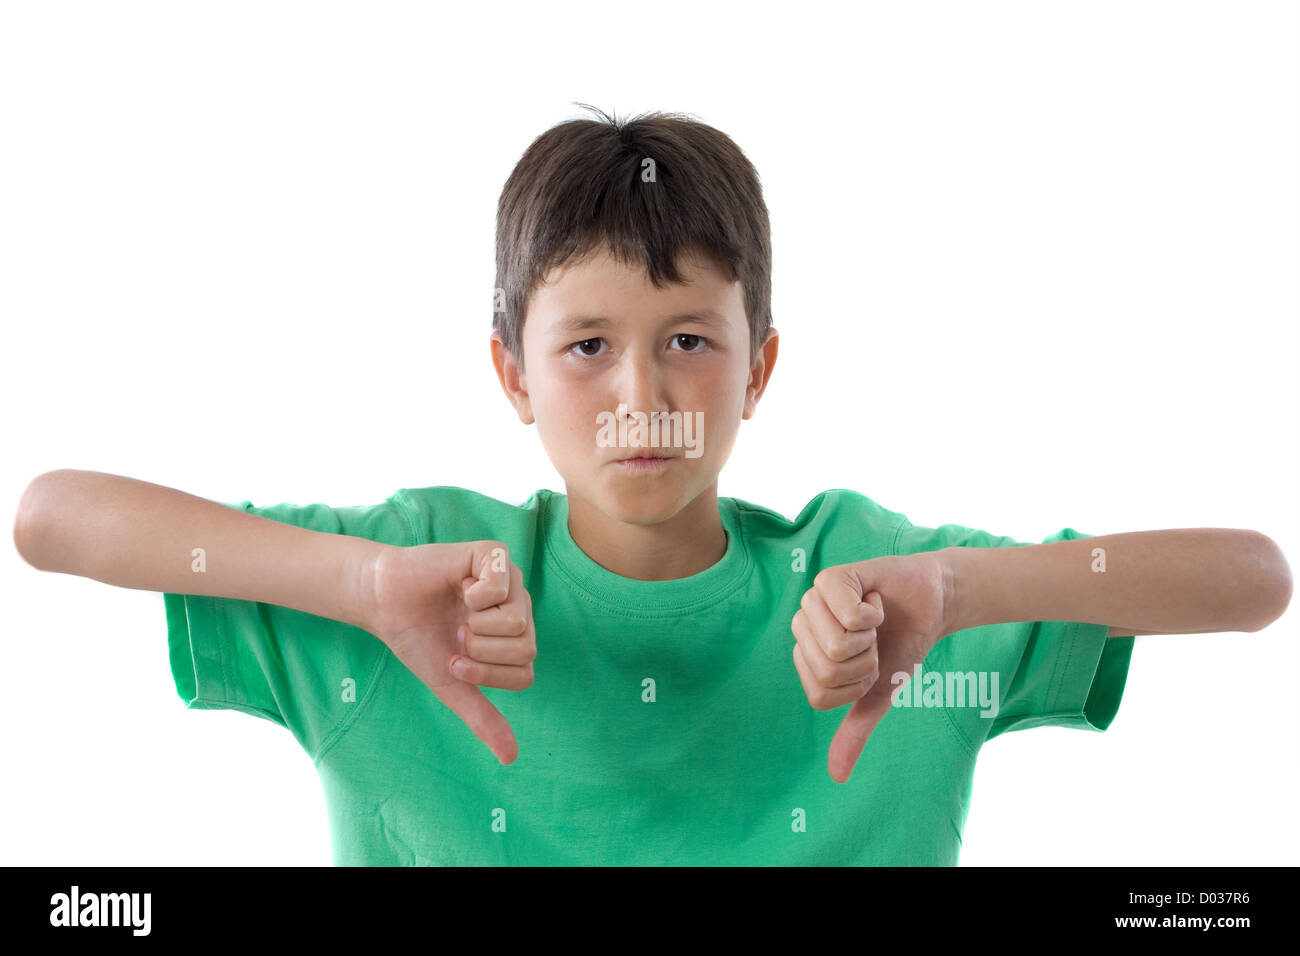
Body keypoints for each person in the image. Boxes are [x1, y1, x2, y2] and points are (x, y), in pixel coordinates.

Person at [13, 105, 1292, 866]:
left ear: (761, 365)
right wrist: (356, 584)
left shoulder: (873, 590)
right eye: (586, 346)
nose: (640, 394)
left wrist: (960, 587)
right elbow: (53, 517)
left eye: (689, 338)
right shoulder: (416, 575)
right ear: (510, 373)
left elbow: (1252, 580)